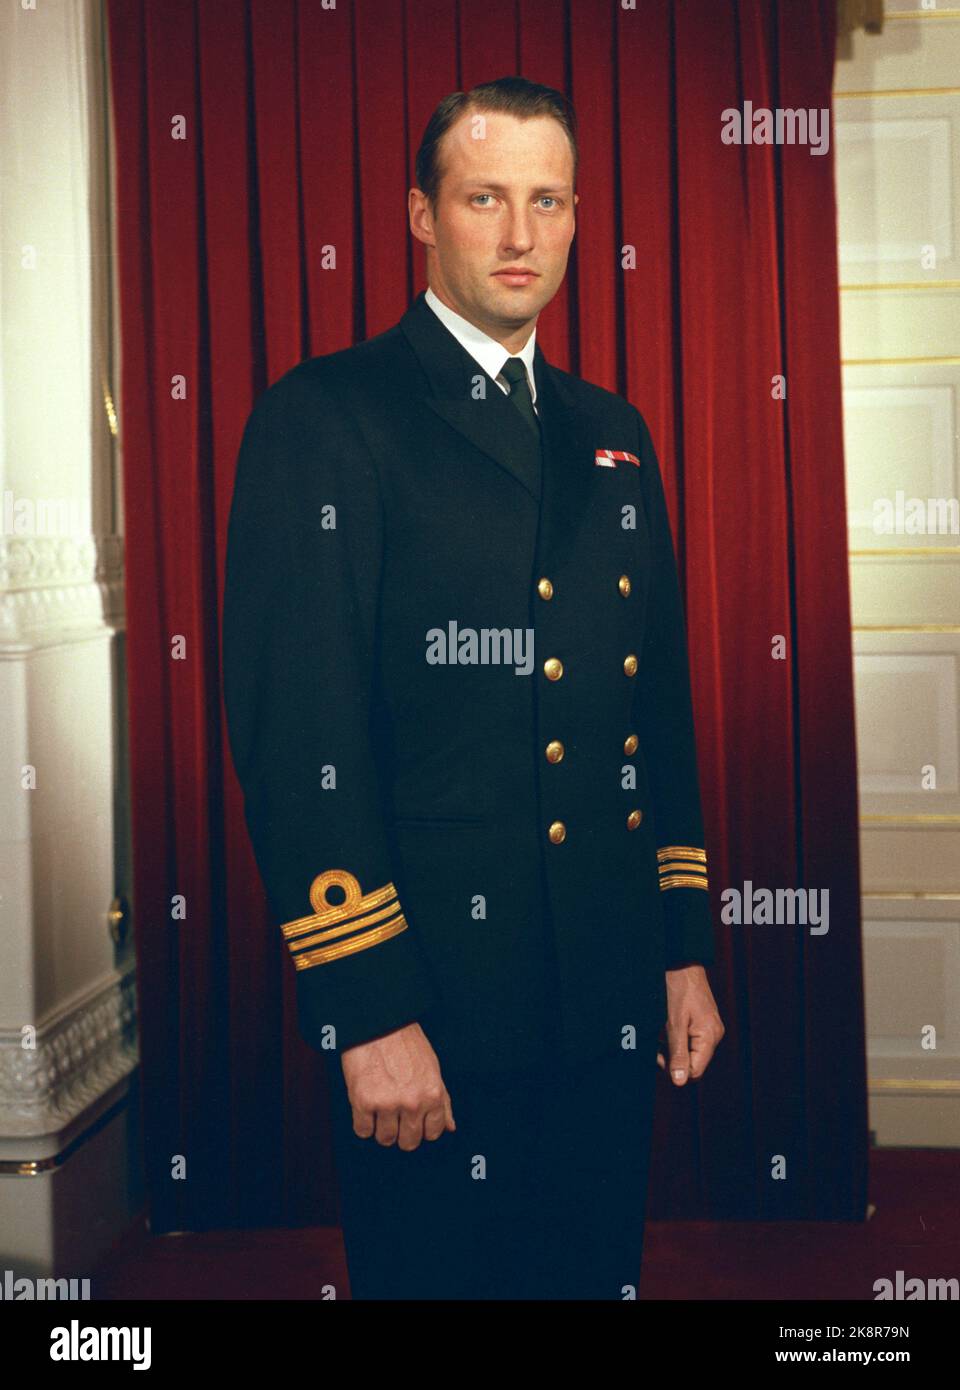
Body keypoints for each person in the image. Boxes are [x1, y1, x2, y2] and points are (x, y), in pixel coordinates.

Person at [222, 74, 724, 1300]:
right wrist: (367, 1007)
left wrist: (678, 945)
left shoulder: (616, 432)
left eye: (547, 201)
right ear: (420, 215)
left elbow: (651, 716)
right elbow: (301, 740)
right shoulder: (328, 418)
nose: (519, 234)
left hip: (605, 984)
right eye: (484, 197)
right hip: (435, 1003)